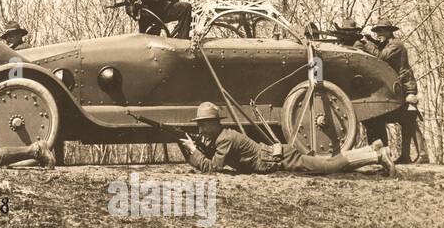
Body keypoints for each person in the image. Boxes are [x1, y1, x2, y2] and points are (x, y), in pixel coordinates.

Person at [177, 102, 396, 177]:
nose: (201, 128)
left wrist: (192, 151)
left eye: (204, 124)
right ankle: (370, 149)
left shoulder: (225, 139)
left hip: (279, 159)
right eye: (200, 124)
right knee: (327, 164)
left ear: (215, 123)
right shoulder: (223, 137)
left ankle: (377, 155)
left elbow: (213, 169)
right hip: (278, 154)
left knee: (328, 166)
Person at [359, 21, 421, 163]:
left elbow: (381, 57)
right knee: (407, 120)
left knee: (409, 119)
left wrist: (366, 43)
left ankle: (418, 155)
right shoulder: (388, 43)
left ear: (390, 32)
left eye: (383, 31)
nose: (379, 35)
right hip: (399, 87)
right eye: (377, 32)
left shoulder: (396, 45)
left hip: (406, 88)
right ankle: (408, 155)